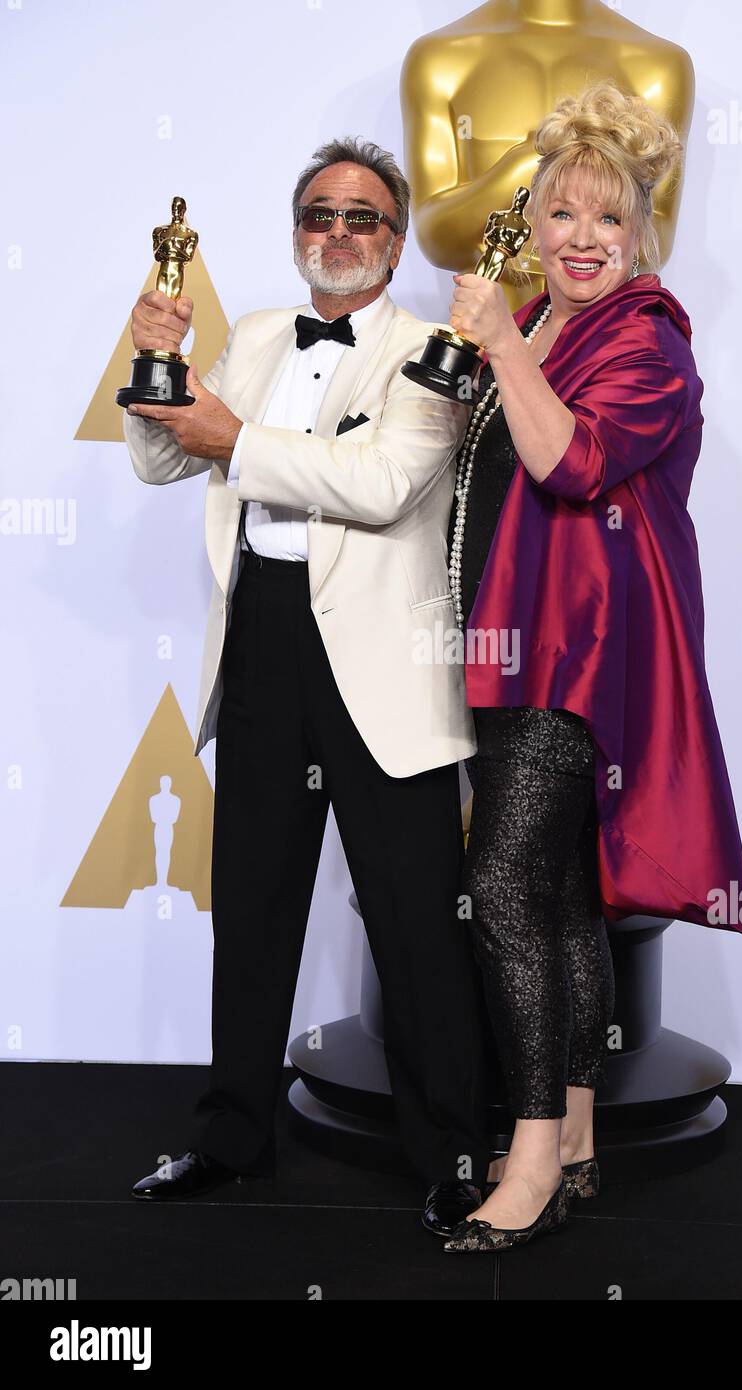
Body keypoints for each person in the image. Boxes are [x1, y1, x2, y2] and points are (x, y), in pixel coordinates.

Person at [122, 137, 492, 1238]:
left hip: (380, 655)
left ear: (393, 239)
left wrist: (235, 433)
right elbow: (159, 462)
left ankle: (453, 1154)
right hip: (265, 640)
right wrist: (150, 362)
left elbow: (381, 486)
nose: (338, 233)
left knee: (418, 919)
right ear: (297, 232)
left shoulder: (442, 346)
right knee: (254, 905)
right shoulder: (252, 337)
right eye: (319, 214)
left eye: (363, 218)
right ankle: (232, 1136)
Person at [440, 81, 742, 1254]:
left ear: (641, 235)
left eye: (606, 220)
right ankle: (573, 1134)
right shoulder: (550, 327)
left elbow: (570, 462)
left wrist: (496, 345)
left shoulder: (648, 338)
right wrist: (497, 345)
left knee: (508, 894)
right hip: (516, 642)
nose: (579, 240)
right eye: (560, 215)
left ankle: (523, 1160)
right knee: (562, 896)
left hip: (581, 657)